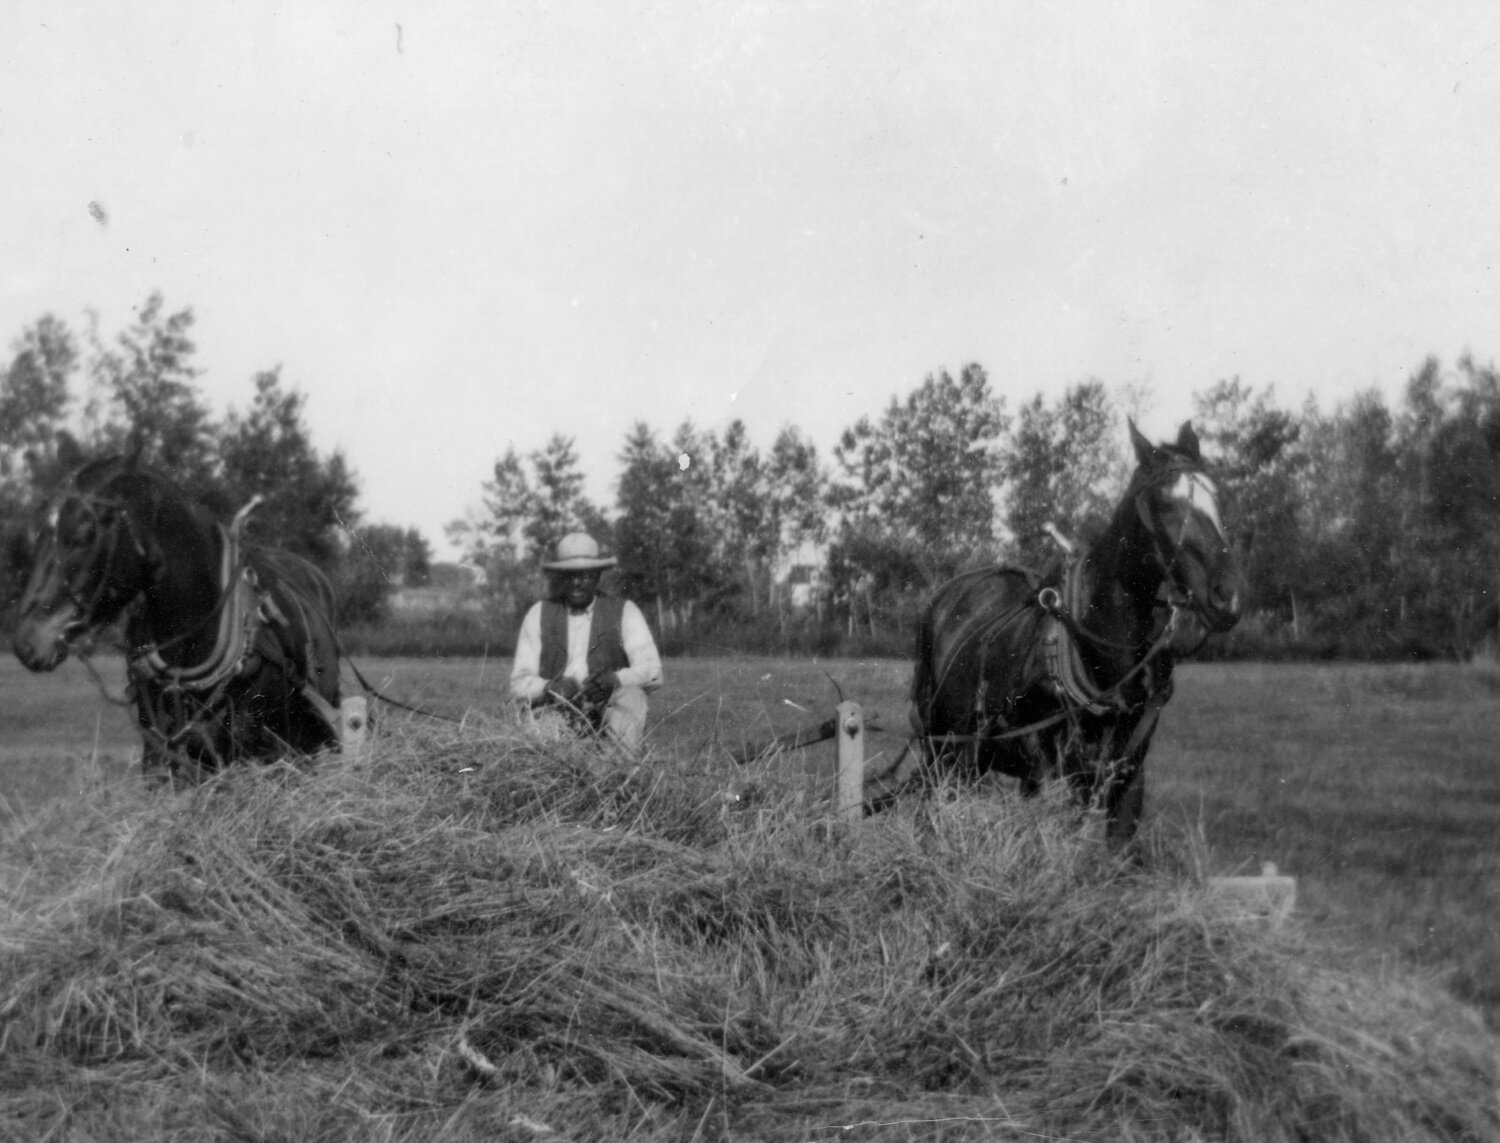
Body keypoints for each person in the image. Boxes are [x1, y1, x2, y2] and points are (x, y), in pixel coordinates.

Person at [509, 532, 663, 750]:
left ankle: (620, 771)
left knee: (632, 696)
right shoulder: (538, 613)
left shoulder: (625, 611)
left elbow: (654, 671)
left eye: (586, 575)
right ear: (559, 576)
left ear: (598, 575)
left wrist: (615, 680)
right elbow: (518, 683)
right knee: (539, 735)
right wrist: (550, 688)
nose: (577, 583)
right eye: (569, 575)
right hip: (555, 714)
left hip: (610, 715)